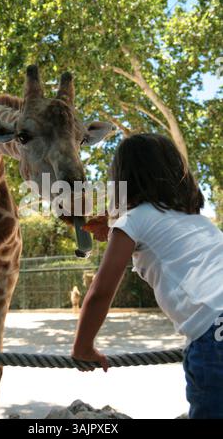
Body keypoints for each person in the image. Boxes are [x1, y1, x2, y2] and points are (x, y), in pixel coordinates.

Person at [71, 133, 223, 419]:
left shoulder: (133, 221)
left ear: (122, 182)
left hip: (215, 335)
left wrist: (83, 346)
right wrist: (114, 224)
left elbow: (101, 291)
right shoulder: (201, 222)